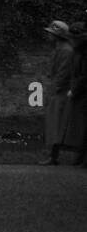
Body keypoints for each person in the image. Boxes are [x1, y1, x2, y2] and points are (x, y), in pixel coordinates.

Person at [40, 20, 86, 165]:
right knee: (57, 126)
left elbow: (63, 74)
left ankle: (55, 157)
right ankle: (57, 156)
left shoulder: (65, 50)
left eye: (51, 34)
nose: (48, 36)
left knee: (58, 126)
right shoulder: (61, 48)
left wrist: (54, 90)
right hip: (59, 92)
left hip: (61, 94)